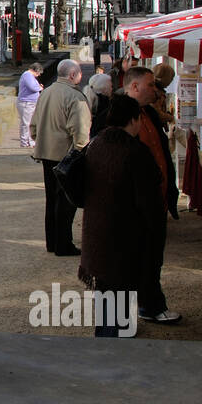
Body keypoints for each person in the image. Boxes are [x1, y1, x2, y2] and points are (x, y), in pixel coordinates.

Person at [79, 95, 166, 336]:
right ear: (135, 119)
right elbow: (150, 203)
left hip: (97, 231)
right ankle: (113, 344)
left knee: (108, 294)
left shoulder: (96, 145)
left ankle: (113, 333)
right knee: (119, 291)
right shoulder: (135, 152)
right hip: (124, 236)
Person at [123, 66, 182, 323]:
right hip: (136, 204)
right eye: (150, 85)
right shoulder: (120, 114)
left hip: (155, 200)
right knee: (134, 257)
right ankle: (145, 307)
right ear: (134, 87)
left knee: (153, 256)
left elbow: (161, 153)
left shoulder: (149, 113)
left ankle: (150, 304)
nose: (155, 90)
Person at [30, 58, 90, 257]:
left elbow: (34, 125)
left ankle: (53, 242)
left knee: (51, 199)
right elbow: (80, 132)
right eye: (79, 72)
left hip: (46, 153)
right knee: (66, 201)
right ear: (73, 75)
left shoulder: (46, 92)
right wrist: (81, 152)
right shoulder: (75, 97)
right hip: (66, 155)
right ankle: (63, 244)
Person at [17, 63, 43, 148]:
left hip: (29, 103)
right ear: (36, 70)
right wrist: (40, 88)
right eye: (39, 73)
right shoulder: (27, 75)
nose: (39, 75)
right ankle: (25, 143)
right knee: (26, 124)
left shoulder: (29, 76)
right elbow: (33, 87)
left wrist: (38, 86)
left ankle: (30, 141)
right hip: (26, 103)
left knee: (29, 123)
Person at [87, 71, 113, 138]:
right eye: (111, 86)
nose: (112, 89)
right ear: (105, 88)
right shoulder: (104, 104)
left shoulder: (89, 99)